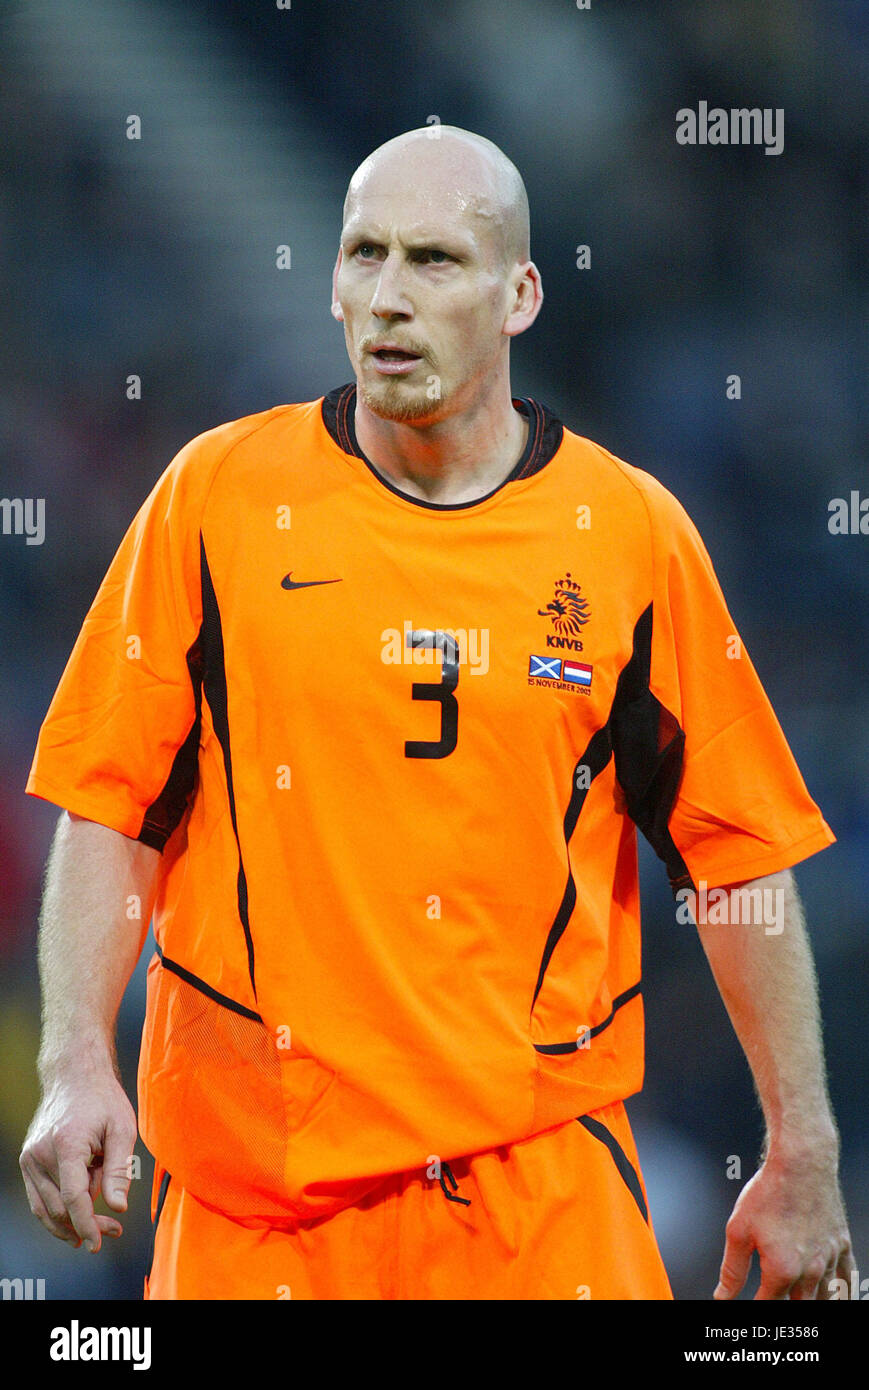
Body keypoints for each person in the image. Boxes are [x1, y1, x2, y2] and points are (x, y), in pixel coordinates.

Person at [20, 125, 854, 1301]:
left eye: (434, 261)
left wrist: (800, 1145)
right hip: (262, 1203)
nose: (389, 298)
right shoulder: (215, 500)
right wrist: (73, 1060)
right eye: (364, 255)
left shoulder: (625, 534)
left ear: (519, 294)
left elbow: (742, 856)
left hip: (539, 1195)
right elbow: (108, 799)